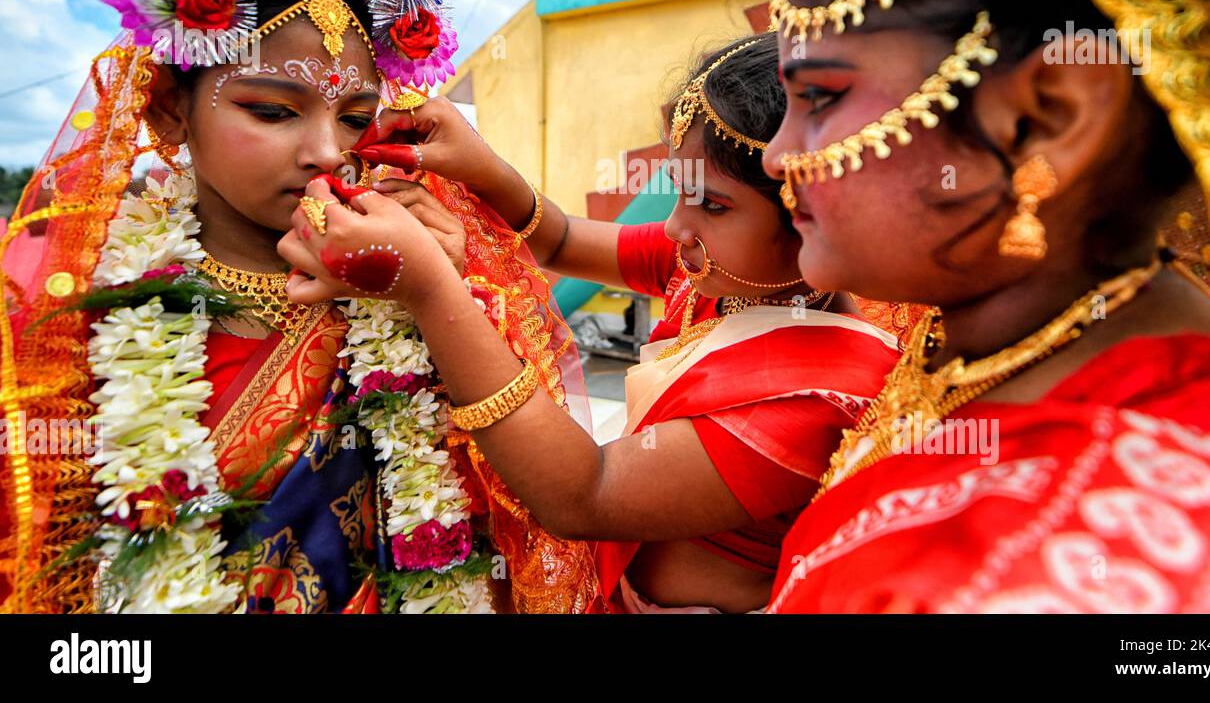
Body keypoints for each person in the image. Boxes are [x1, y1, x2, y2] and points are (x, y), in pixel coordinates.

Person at [0, 0, 597, 614]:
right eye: (274, 111)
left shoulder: (416, 266)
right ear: (170, 110)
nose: (327, 151)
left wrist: (457, 294)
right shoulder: (58, 298)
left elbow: (533, 510)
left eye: (356, 118)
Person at [759, 0, 1210, 612]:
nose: (777, 156)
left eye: (822, 99)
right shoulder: (1000, 339)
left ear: (1041, 122)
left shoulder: (1088, 563)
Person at [279, 32, 906, 612]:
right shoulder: (717, 272)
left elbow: (586, 495)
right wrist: (484, 166)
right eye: (678, 188)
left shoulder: (825, 396)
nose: (673, 225)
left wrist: (428, 288)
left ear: (818, 220)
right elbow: (558, 241)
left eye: (712, 205)